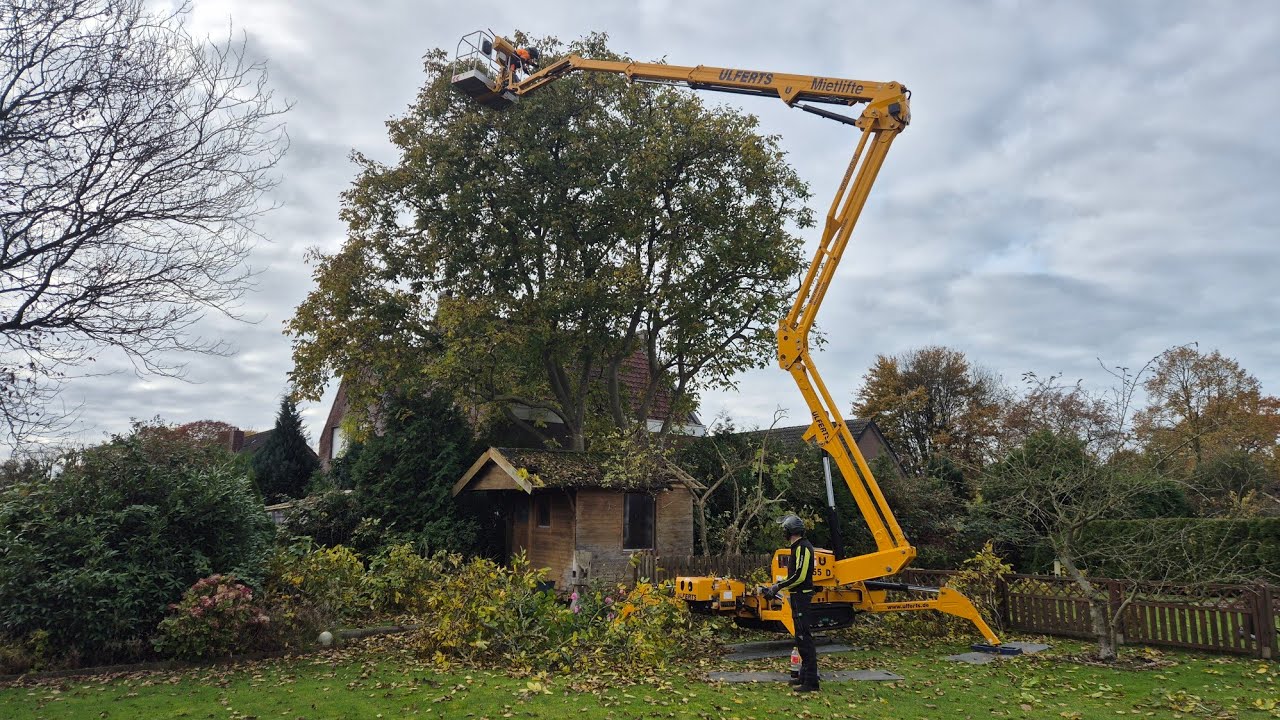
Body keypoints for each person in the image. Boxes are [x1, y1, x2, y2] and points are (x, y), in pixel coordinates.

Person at [764, 514, 819, 693]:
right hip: (796, 595)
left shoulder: (803, 548)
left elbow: (800, 576)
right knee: (800, 638)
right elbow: (793, 576)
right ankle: (804, 676)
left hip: (802, 596)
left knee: (804, 638)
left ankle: (811, 682)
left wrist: (778, 586)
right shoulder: (797, 547)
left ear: (790, 531)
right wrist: (778, 586)